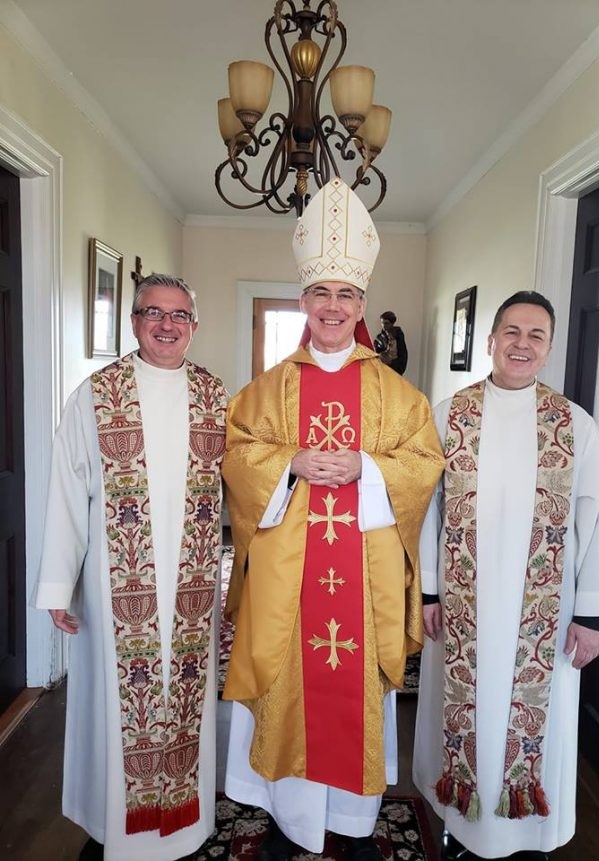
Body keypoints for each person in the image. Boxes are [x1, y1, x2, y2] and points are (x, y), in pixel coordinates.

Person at [221, 178, 445, 860]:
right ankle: (290, 822)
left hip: (363, 580)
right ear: (303, 300)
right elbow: (237, 454)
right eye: (321, 293)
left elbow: (425, 460)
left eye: (346, 294)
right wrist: (289, 463)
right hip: (289, 580)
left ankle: (349, 826)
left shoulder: (398, 393)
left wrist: (367, 469)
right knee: (286, 682)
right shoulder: (264, 389)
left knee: (354, 699)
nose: (333, 306)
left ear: (362, 305)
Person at [412, 291, 599, 861]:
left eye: (535, 335)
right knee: (463, 723)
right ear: (491, 340)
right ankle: (460, 826)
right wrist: (429, 592)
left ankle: (526, 832)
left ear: (549, 347)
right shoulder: (449, 414)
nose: (522, 344)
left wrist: (591, 617)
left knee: (536, 724)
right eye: (511, 331)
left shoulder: (572, 425)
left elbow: (597, 517)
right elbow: (427, 509)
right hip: (462, 609)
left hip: (546, 616)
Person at [35, 273, 228, 861]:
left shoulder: (215, 397)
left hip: (194, 584)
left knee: (189, 705)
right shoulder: (96, 396)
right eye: (154, 313)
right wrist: (56, 585)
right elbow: (68, 492)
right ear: (134, 320)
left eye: (179, 316)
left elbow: (246, 487)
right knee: (119, 711)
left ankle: (187, 827)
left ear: (194, 326)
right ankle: (116, 830)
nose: (167, 326)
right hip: (116, 588)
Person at [374, 310, 408, 375]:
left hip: (394, 370)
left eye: (386, 323)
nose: (384, 326)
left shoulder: (398, 337)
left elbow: (403, 356)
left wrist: (392, 362)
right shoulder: (379, 338)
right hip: (383, 371)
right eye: (382, 323)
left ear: (392, 323)